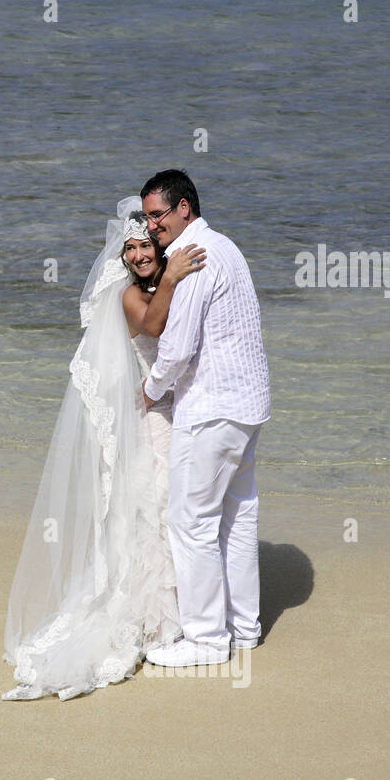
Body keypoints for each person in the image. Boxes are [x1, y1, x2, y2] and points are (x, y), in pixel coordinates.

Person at [2, 196, 204, 700]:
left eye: (146, 245)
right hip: (153, 416)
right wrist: (174, 277)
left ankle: (195, 608)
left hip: (185, 409)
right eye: (129, 249)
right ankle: (160, 623)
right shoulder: (128, 297)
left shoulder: (165, 280)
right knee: (157, 508)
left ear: (162, 241)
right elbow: (155, 326)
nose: (138, 256)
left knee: (175, 507)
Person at [138, 170, 271, 667]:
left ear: (184, 209)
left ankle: (207, 639)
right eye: (149, 217)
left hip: (213, 407)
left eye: (158, 215)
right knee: (236, 519)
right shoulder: (227, 246)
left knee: (190, 523)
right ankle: (243, 629)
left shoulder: (192, 257)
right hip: (248, 404)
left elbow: (176, 347)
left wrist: (150, 391)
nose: (152, 227)